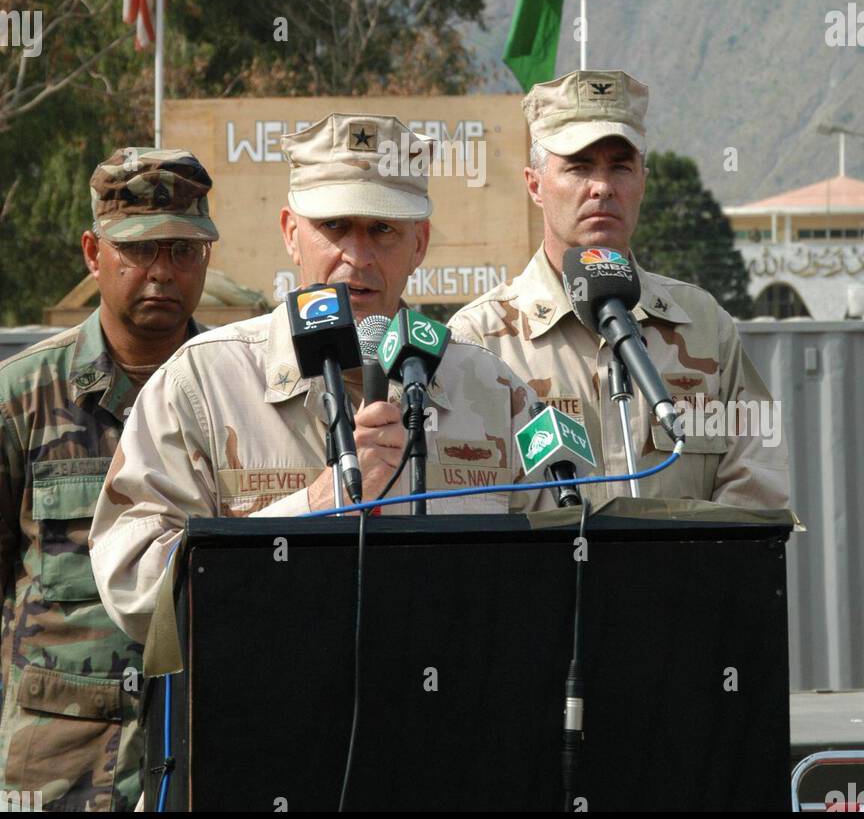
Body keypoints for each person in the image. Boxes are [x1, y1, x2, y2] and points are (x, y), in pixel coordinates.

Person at [90, 114, 545, 648]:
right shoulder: (203, 384)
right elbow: (133, 586)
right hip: (266, 715)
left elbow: (578, 555)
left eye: (383, 230)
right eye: (334, 227)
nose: (357, 256)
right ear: (290, 232)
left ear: (419, 244)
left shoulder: (494, 391)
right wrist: (311, 511)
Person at [449, 70, 790, 509]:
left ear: (642, 181)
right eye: (578, 166)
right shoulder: (482, 340)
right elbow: (466, 509)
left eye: (620, 167)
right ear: (535, 184)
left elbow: (757, 481)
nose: (602, 187)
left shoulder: (703, 325)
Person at [0, 147, 217, 811]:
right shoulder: (25, 395)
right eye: (140, 251)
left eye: (183, 251)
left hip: (202, 752)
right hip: (58, 766)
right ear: (95, 254)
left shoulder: (233, 389)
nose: (162, 273)